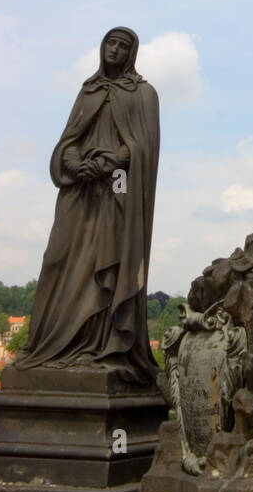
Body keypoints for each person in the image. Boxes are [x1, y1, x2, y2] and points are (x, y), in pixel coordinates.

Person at [15, 27, 160, 383]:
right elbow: (69, 139)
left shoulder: (143, 94)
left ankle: (101, 347)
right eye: (110, 43)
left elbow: (145, 149)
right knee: (57, 259)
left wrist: (112, 159)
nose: (114, 50)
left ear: (132, 54)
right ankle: (49, 347)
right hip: (79, 192)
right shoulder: (89, 90)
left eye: (122, 46)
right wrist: (75, 161)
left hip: (116, 194)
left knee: (104, 266)